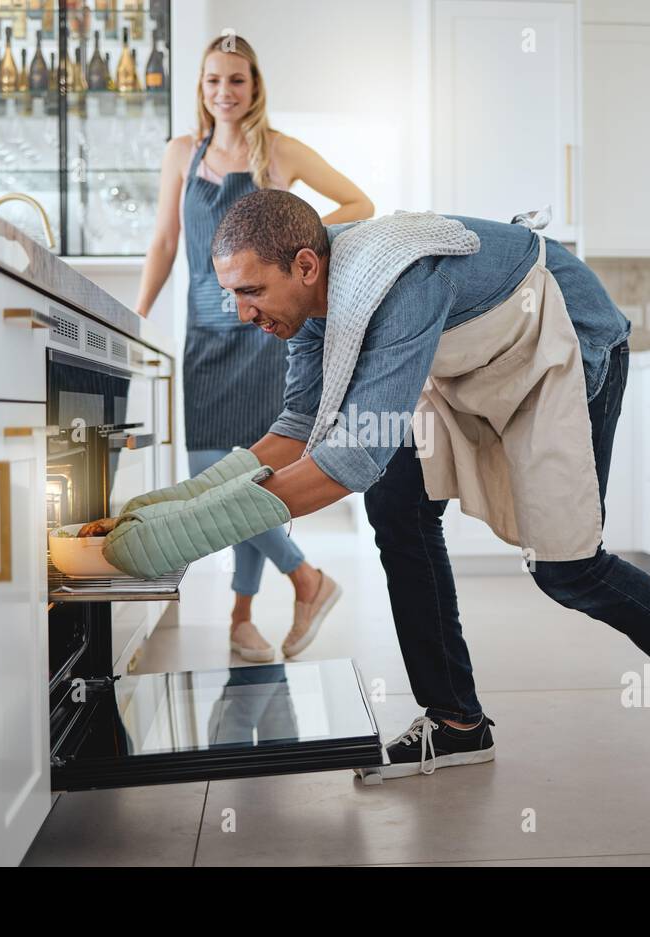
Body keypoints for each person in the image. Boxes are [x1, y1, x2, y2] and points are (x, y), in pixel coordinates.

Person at [103, 188, 650, 781]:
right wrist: (166, 507)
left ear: (304, 265)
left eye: (251, 292)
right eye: (233, 294)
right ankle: (457, 722)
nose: (242, 313)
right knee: (396, 504)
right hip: (473, 360)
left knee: (568, 569)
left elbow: (354, 454)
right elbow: (300, 425)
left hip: (565, 342)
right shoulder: (308, 305)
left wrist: (183, 537)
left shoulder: (400, 279)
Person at [133, 34, 373, 662]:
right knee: (212, 469)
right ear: (201, 88)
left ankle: (241, 619)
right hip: (206, 337)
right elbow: (163, 242)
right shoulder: (181, 154)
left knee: (253, 471)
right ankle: (305, 578)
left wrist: (306, 248)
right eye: (213, 81)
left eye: (236, 80)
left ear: (254, 85)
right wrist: (136, 314)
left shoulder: (279, 153)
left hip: (266, 336)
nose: (224, 92)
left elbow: (359, 201)